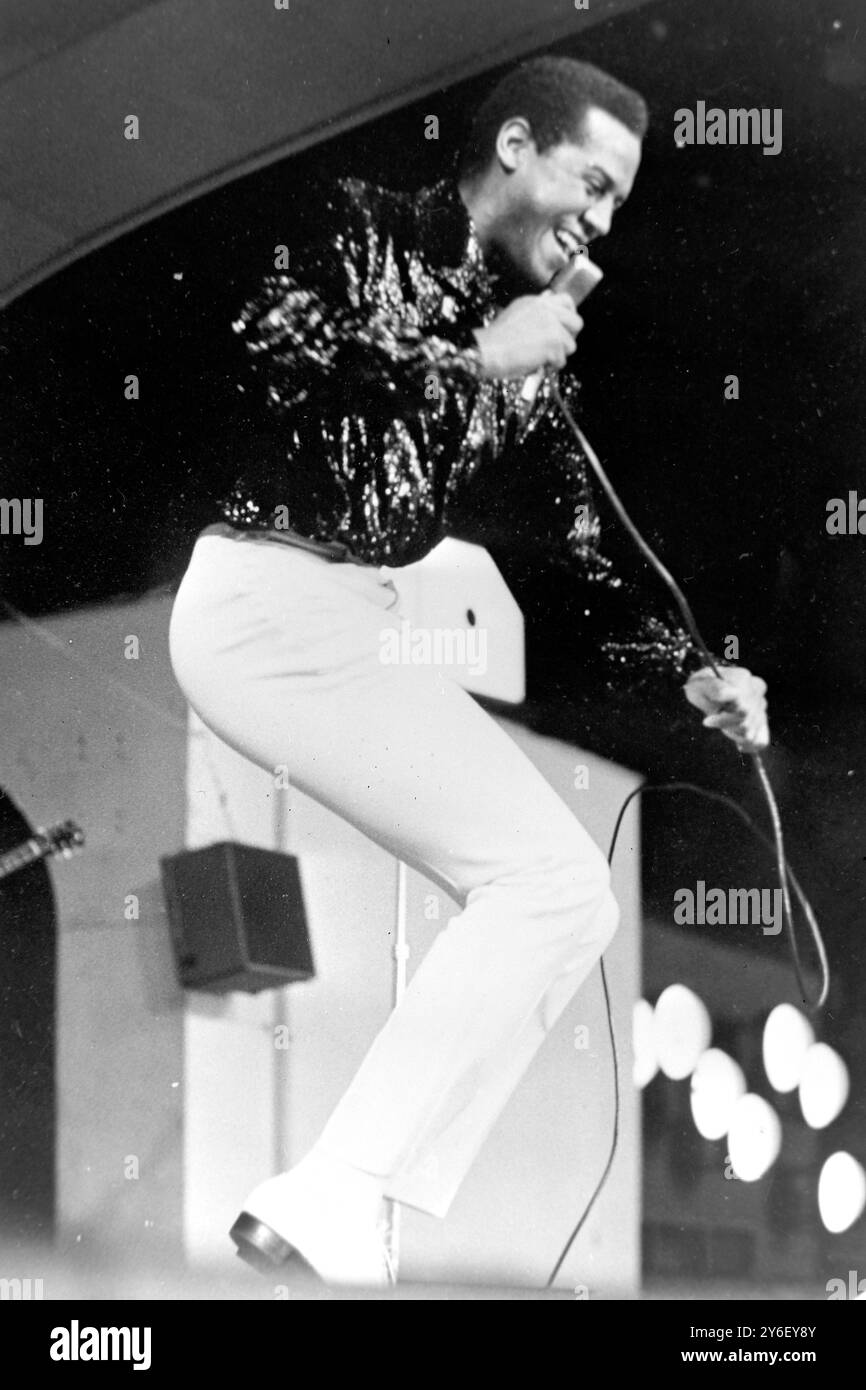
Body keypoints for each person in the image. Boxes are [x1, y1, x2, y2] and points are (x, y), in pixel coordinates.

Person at [168, 55, 769, 1287]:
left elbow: (584, 543)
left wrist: (690, 672)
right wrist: (470, 356)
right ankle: (334, 1193)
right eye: (590, 183)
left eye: (617, 203)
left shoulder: (528, 338)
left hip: (341, 618)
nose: (601, 221)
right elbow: (273, 347)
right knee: (548, 885)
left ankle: (334, 1199)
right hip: (257, 600)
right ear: (513, 150)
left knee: (562, 893)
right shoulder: (360, 227)